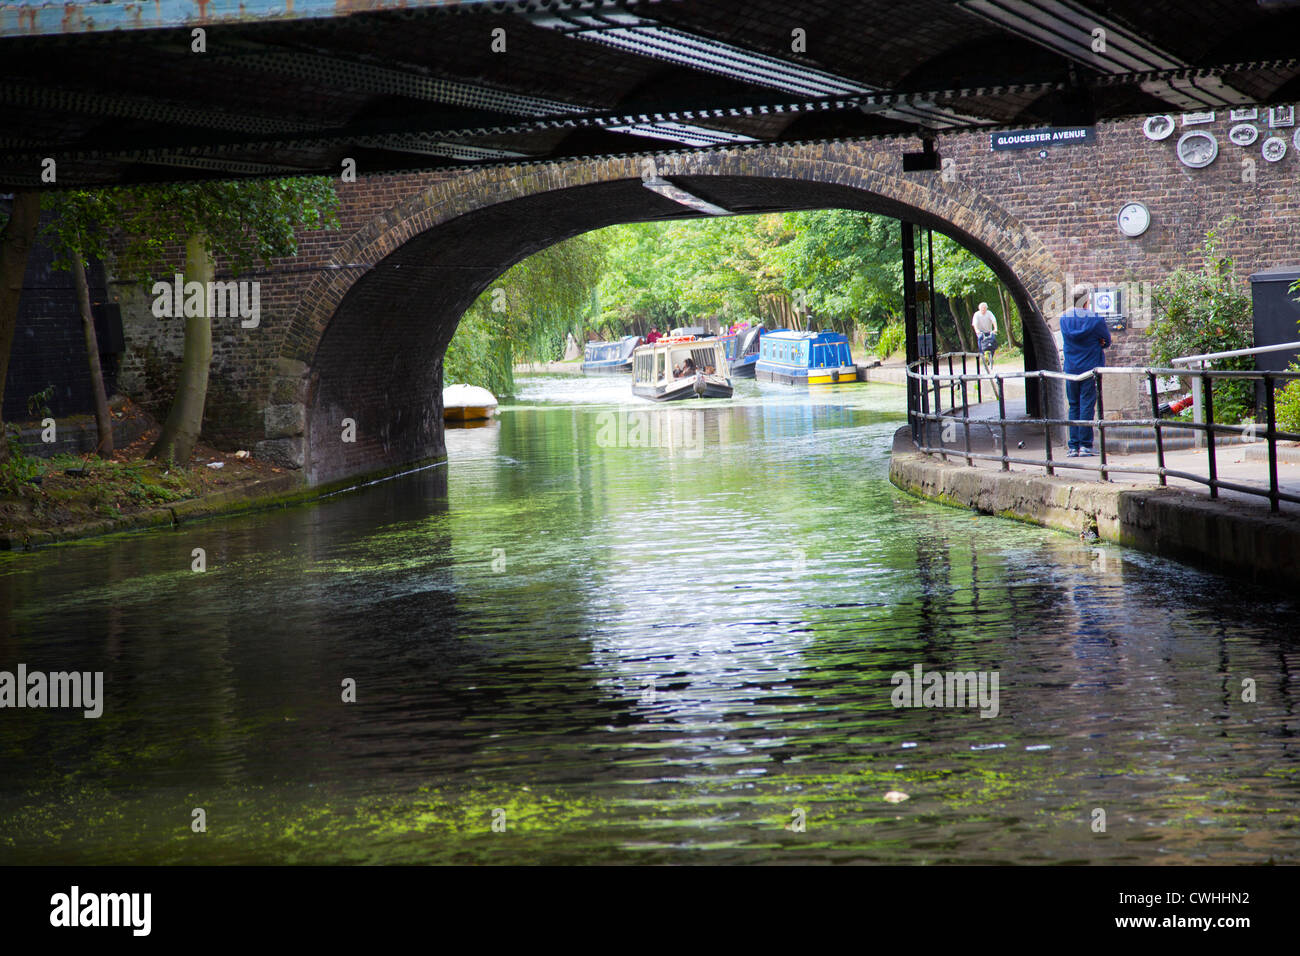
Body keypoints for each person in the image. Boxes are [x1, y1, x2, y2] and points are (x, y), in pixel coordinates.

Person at [1059, 286, 1111, 458]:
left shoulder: (1064, 319)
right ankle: (1086, 446)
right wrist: (1099, 342)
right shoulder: (1096, 319)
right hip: (1090, 368)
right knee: (1087, 405)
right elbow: (1107, 341)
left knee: (1073, 405)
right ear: (1087, 300)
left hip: (1071, 368)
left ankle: (1073, 446)